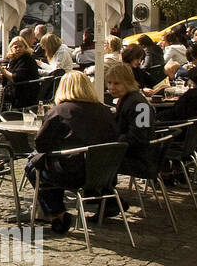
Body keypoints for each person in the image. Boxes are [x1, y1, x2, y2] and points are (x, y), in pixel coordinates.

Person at [24, 71, 119, 234]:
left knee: (34, 167)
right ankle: (58, 212)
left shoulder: (60, 111)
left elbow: (41, 143)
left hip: (73, 174)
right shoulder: (105, 111)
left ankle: (57, 213)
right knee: (49, 163)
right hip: (105, 173)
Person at [106, 62, 153, 179]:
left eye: (116, 83)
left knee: (95, 160)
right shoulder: (127, 99)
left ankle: (106, 194)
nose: (111, 87)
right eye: (109, 83)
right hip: (131, 153)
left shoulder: (139, 104)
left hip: (138, 159)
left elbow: (138, 137)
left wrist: (111, 142)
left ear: (128, 83)